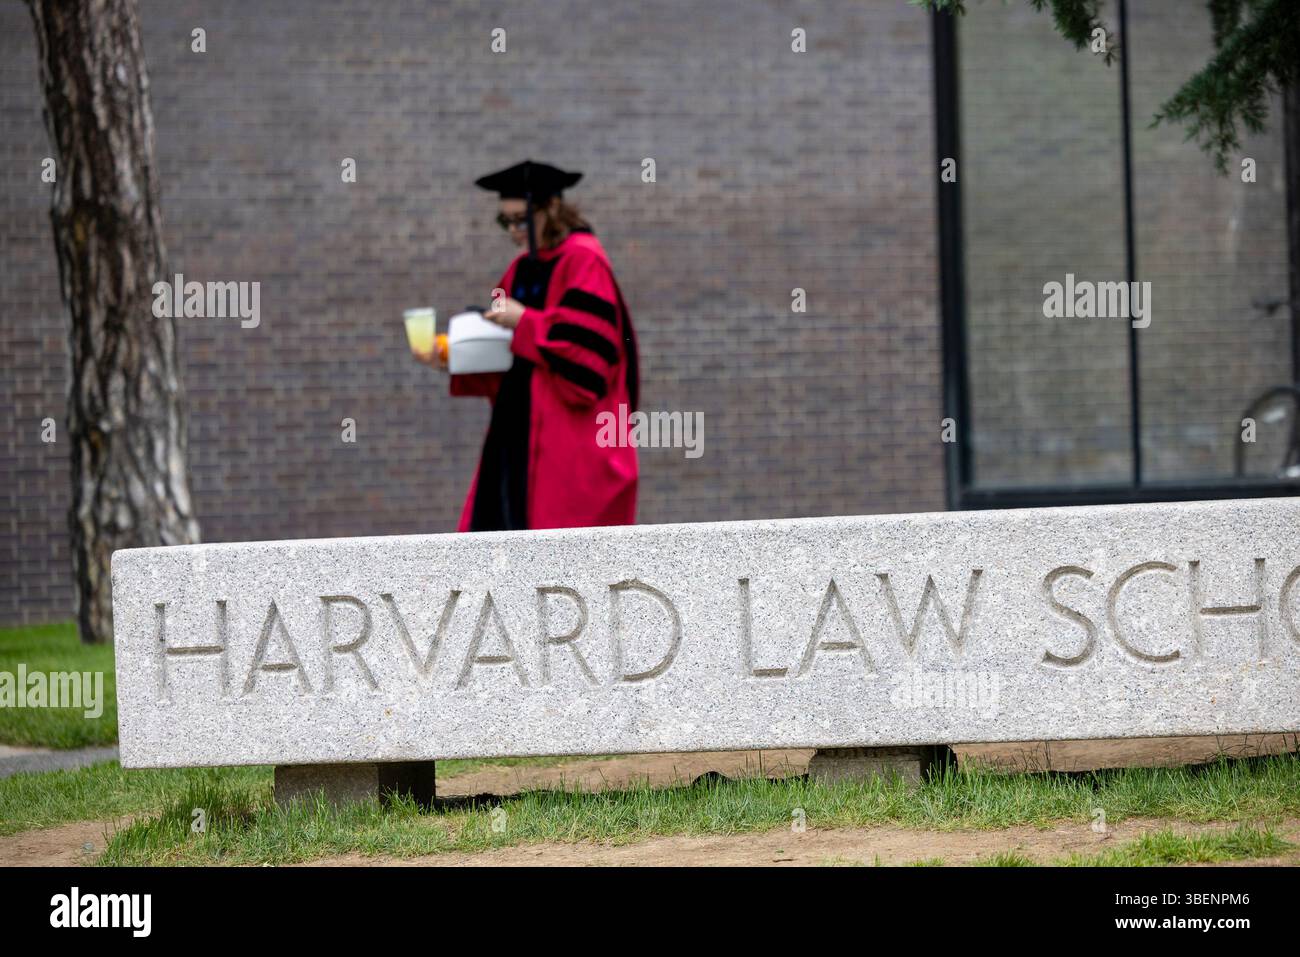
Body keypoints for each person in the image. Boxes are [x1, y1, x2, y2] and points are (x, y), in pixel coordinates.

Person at [417, 160, 640, 531]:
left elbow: (588, 356)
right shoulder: (519, 269)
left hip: (568, 438)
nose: (514, 230)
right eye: (505, 222)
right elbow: (508, 356)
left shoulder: (584, 260)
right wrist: (451, 357)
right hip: (515, 431)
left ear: (550, 209)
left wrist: (525, 321)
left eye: (521, 219)